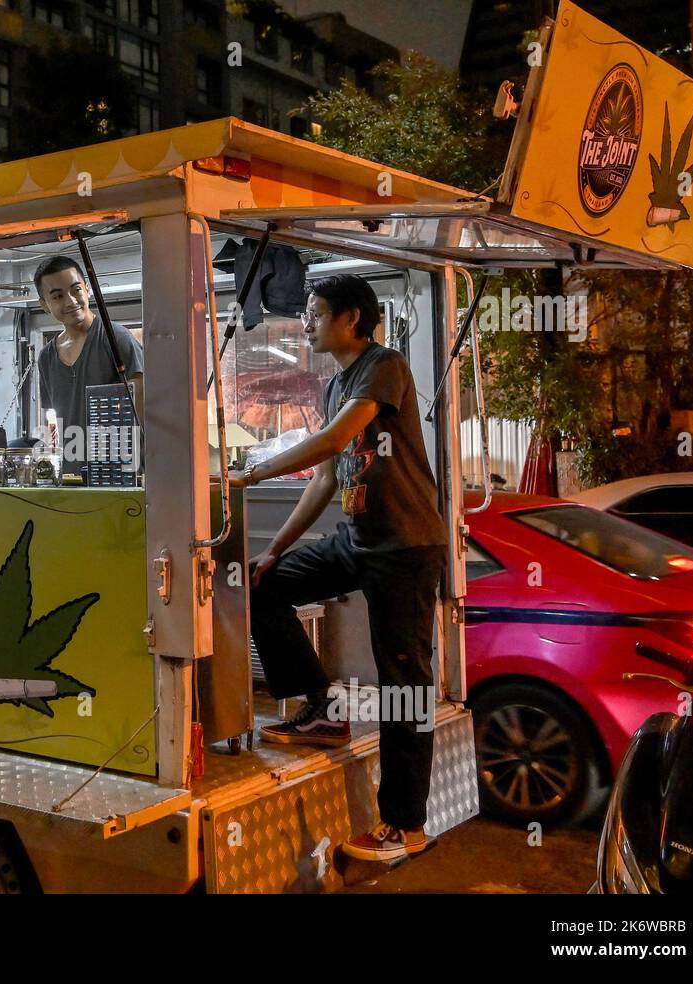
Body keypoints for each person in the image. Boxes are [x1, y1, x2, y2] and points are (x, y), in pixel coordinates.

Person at [228, 274, 447, 864]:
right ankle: (323, 709)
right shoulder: (334, 386)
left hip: (404, 548)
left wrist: (252, 474)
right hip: (358, 541)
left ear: (352, 318)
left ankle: (404, 824)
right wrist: (276, 549)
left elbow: (332, 442)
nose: (306, 322)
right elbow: (326, 477)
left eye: (316, 312)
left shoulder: (384, 365)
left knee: (404, 687)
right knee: (265, 585)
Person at [34, 255, 143, 475]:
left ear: (88, 289)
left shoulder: (117, 339)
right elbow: (53, 422)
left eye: (76, 290)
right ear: (44, 304)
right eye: (58, 296)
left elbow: (143, 410)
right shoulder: (46, 357)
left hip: (118, 474)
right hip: (70, 475)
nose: (71, 301)